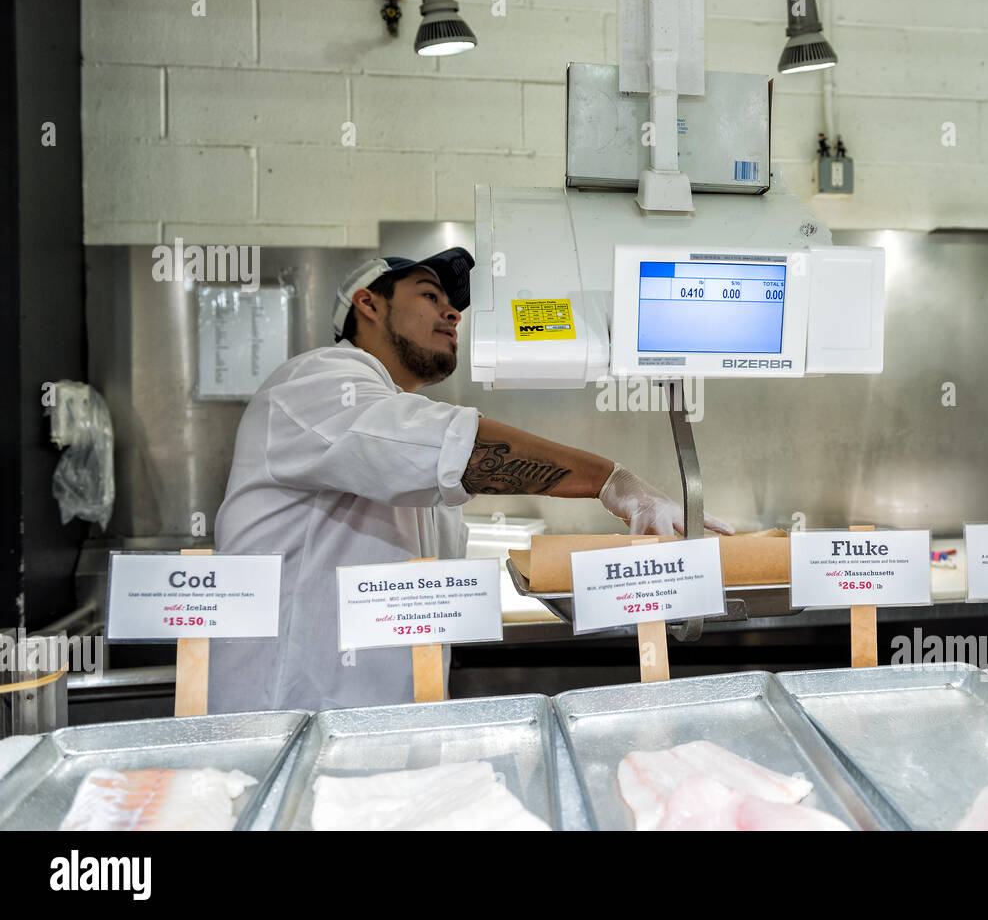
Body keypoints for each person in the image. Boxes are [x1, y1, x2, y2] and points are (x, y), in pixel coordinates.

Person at [209, 250, 731, 713]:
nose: (452, 312)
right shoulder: (317, 380)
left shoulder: (399, 413)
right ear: (368, 304)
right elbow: (462, 449)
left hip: (382, 722)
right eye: (430, 295)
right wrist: (615, 483)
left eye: (453, 303)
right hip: (287, 713)